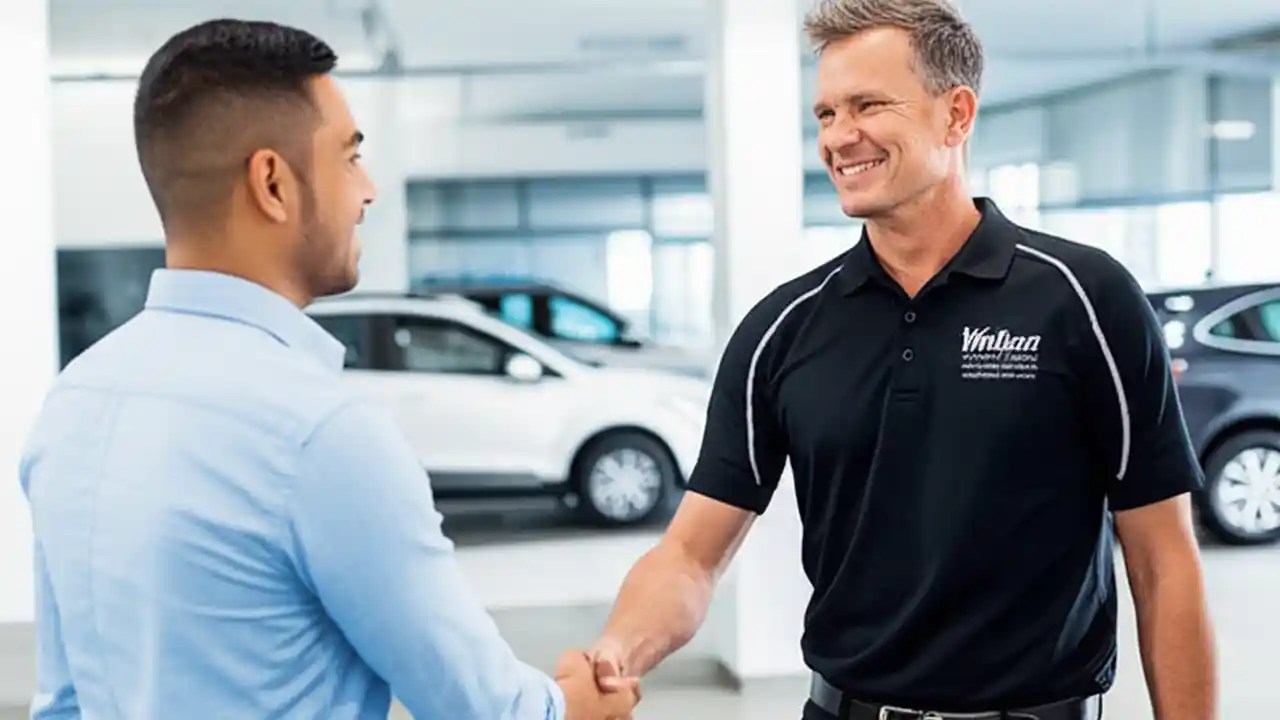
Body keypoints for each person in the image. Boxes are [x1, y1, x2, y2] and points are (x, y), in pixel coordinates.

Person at [588, 1, 1217, 718]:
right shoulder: (783, 330)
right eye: (826, 114)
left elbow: (1162, 560)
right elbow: (690, 556)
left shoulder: (1085, 299)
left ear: (956, 115)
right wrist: (617, 652)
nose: (838, 137)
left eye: (868, 105)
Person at [19, 19, 638, 720]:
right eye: (350, 158)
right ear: (272, 183)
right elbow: (489, 711)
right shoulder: (316, 433)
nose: (367, 190)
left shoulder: (74, 400)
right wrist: (584, 702)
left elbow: (63, 704)